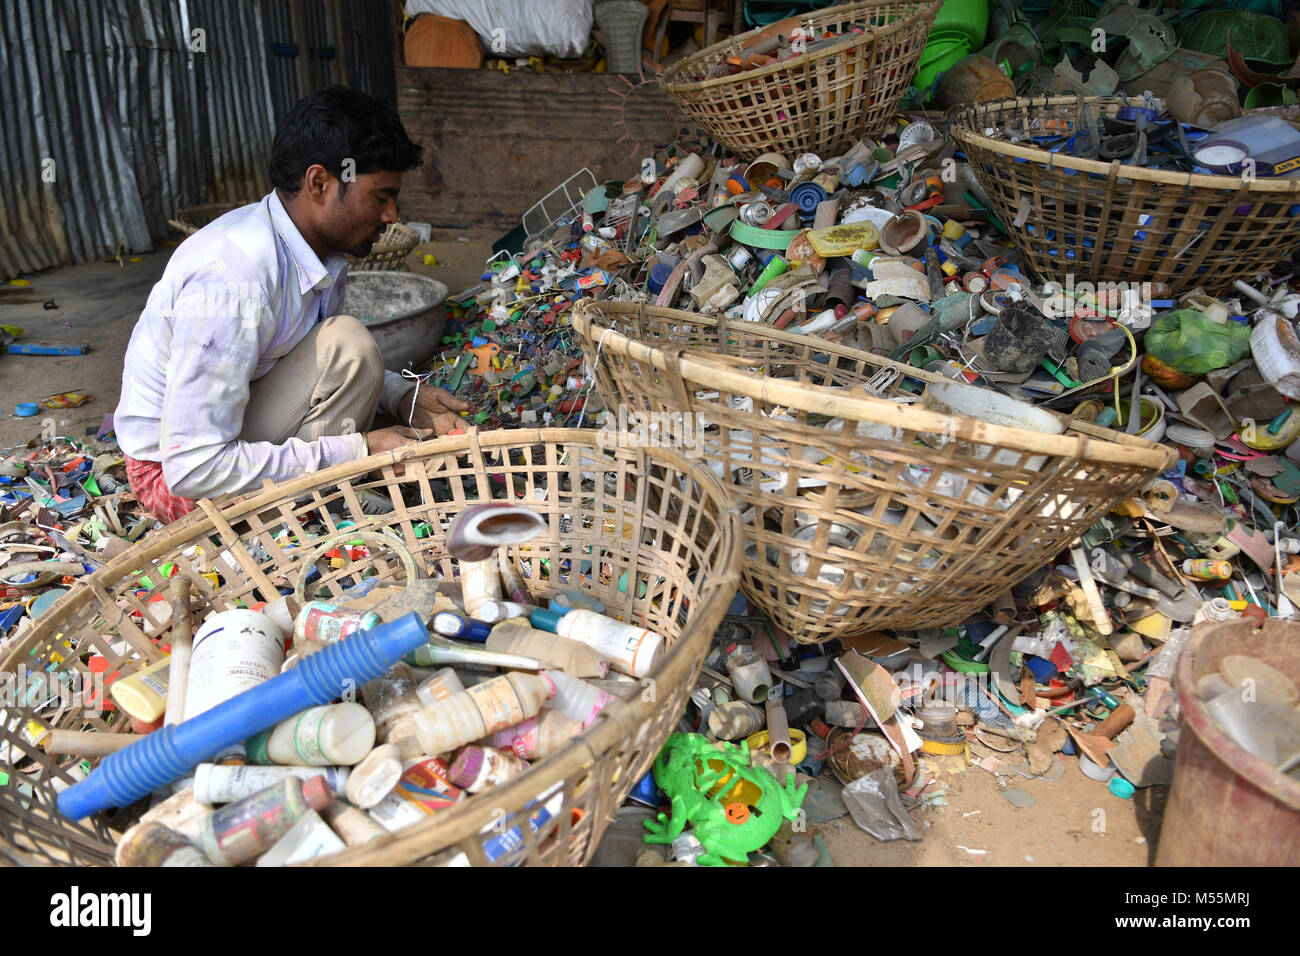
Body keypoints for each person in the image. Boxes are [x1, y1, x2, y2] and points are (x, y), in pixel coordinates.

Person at [116, 85, 468, 523]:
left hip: (230, 430)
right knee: (349, 345)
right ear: (319, 183)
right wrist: (357, 450)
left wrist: (402, 398)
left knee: (349, 349)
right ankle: (319, 507)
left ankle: (328, 489)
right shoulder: (233, 280)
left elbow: (314, 362)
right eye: (380, 197)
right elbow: (194, 467)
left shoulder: (319, 254)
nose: (392, 215)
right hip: (177, 482)